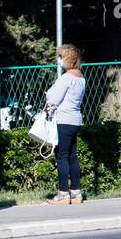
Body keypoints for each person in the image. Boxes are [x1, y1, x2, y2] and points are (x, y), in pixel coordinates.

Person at [44, 44, 86, 205]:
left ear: (68, 58)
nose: (59, 60)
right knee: (72, 155)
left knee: (61, 156)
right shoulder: (80, 78)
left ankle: (63, 193)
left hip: (63, 119)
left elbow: (54, 99)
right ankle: (76, 192)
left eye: (61, 57)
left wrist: (48, 105)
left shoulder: (66, 78)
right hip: (75, 119)